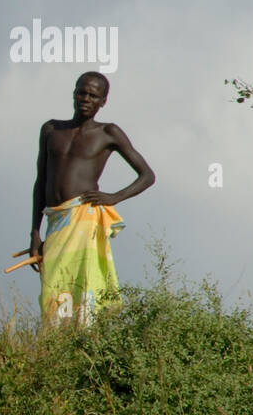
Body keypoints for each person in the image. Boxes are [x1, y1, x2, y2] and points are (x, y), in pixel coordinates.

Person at [25, 72, 155, 325]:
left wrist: (113, 197)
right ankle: (56, 343)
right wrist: (34, 233)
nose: (85, 99)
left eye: (93, 95)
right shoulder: (51, 129)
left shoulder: (109, 132)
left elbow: (147, 175)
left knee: (84, 285)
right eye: (81, 92)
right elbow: (40, 182)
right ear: (73, 93)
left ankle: (84, 341)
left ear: (103, 101)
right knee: (54, 285)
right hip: (55, 222)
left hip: (84, 219)